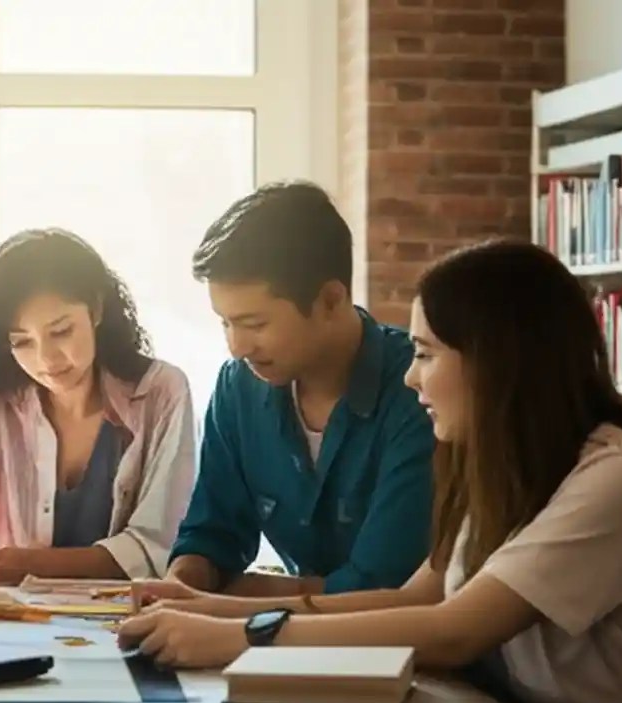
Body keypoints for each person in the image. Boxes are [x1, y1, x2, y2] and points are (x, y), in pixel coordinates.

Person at [120, 240, 622, 703]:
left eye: (427, 354)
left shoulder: (615, 480)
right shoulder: (506, 463)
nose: (411, 377)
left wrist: (233, 638)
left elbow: (454, 632)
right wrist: (210, 608)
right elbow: (414, 597)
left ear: (497, 362)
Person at [167, 181, 435, 597]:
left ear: (331, 300)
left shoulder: (419, 392)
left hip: (405, 651)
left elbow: (380, 586)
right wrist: (181, 585)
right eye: (225, 322)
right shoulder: (239, 386)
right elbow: (212, 535)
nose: (237, 348)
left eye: (255, 324)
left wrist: (234, 595)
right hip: (286, 643)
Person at [0, 228, 195, 584]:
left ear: (97, 310)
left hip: (124, 622)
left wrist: (37, 565)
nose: (46, 359)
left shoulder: (161, 392)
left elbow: (159, 546)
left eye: (61, 332)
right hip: (7, 621)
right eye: (22, 342)